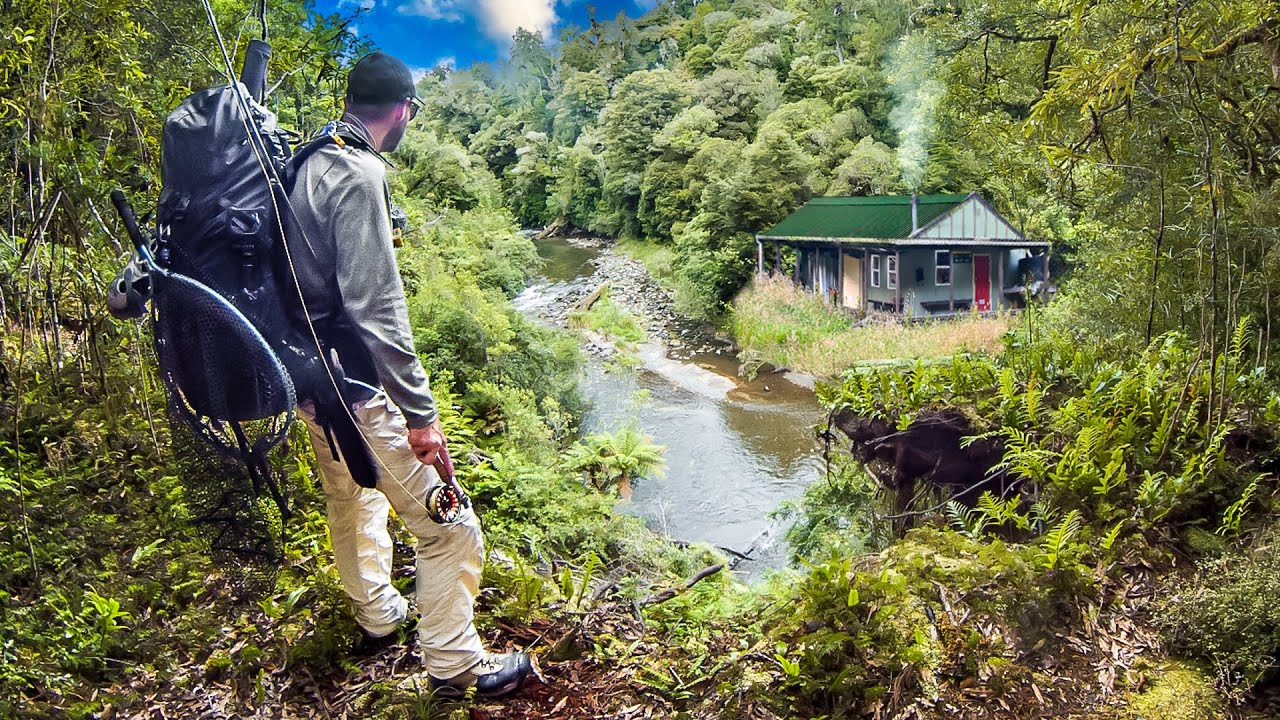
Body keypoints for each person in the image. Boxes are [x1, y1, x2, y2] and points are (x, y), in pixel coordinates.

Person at [284, 51, 533, 698]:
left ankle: (377, 616)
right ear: (401, 110)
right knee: (448, 525)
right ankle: (455, 667)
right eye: (412, 113)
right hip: (355, 389)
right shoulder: (359, 175)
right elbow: (378, 312)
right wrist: (421, 417)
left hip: (308, 380)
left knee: (354, 498)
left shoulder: (307, 160)